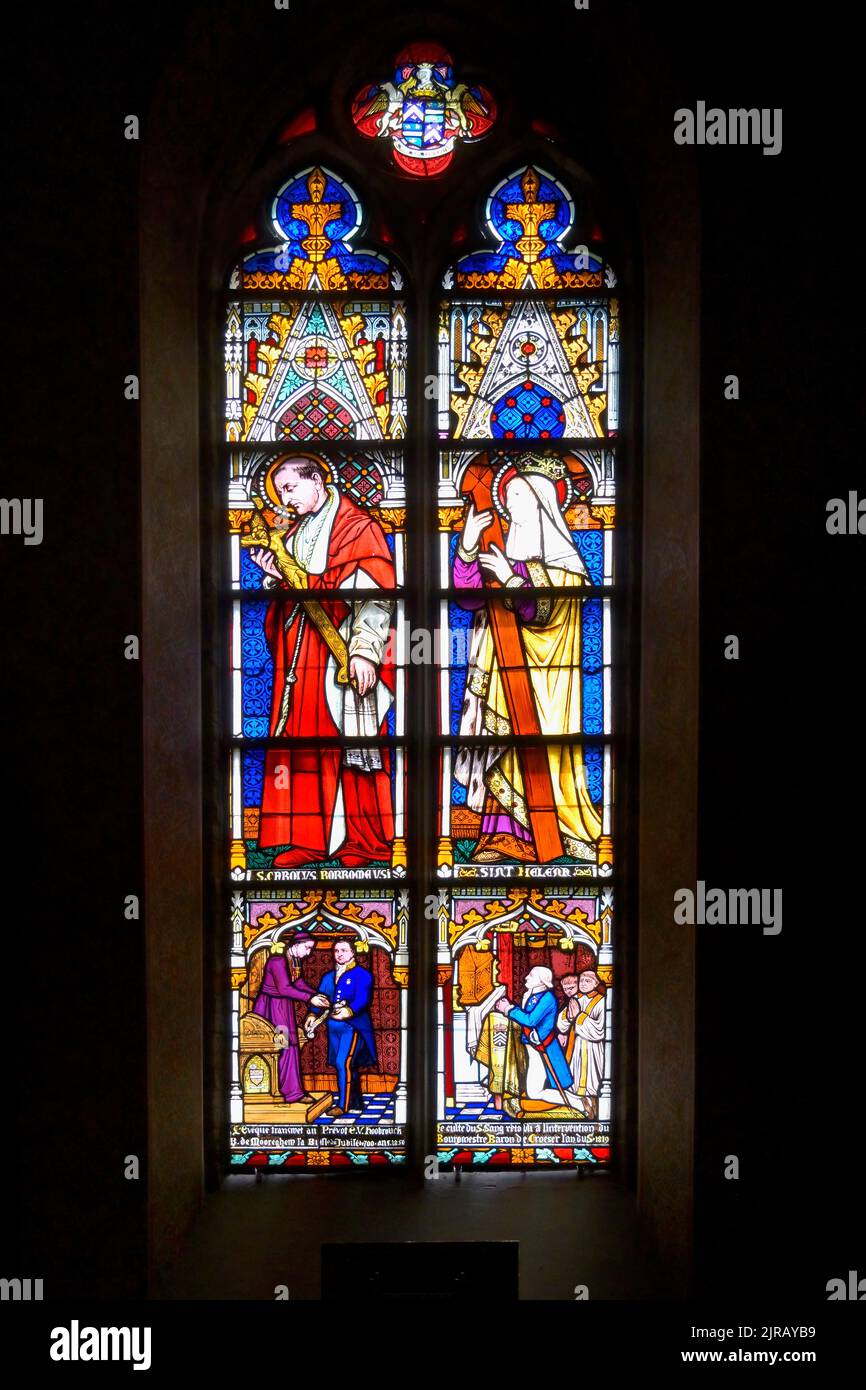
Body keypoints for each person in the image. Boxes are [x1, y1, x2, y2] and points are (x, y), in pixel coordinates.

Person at [452, 455, 602, 862]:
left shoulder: (566, 565)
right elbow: (467, 595)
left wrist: (513, 577)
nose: (509, 505)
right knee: (501, 743)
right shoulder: (502, 550)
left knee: (538, 749)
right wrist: (467, 546)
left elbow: (546, 610)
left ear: (541, 504)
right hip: (502, 668)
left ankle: (552, 835)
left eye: (518, 496)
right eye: (508, 496)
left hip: (548, 682)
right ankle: (499, 837)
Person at [249, 455, 395, 866]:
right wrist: (278, 579)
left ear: (317, 479)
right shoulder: (295, 533)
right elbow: (302, 586)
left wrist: (366, 652)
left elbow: (373, 595)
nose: (285, 499)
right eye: (279, 493)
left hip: (342, 652)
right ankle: (309, 839)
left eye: (290, 488)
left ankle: (362, 841)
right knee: (303, 744)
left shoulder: (358, 529)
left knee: (350, 742)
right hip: (300, 654)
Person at [494, 965, 585, 1116]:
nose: (526, 978)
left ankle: (579, 1103)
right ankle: (580, 1102)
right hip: (534, 1047)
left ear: (542, 981)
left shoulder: (547, 998)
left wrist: (508, 1009)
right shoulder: (530, 995)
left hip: (543, 1048)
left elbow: (530, 1020)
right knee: (535, 1091)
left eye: (531, 975)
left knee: (535, 1092)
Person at [251, 930, 329, 1104]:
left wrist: (318, 995)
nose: (308, 953)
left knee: (289, 1047)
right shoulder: (278, 961)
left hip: (283, 1008)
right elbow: (284, 988)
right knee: (282, 1047)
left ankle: (291, 1091)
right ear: (296, 944)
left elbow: (298, 983)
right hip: (272, 1009)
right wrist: (311, 998)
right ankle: (287, 1092)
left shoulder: (293, 961)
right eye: (307, 948)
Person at [306, 940, 377, 1116]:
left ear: (353, 953)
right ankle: (356, 1102)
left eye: (344, 950)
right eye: (336, 950)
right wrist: (312, 1015)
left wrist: (350, 1010)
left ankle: (343, 1106)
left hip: (352, 1026)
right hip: (332, 1027)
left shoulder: (363, 975)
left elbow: (362, 998)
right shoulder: (328, 977)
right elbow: (321, 998)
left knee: (342, 1062)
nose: (339, 954)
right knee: (347, 1065)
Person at [556, 970, 606, 1118]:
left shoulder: (602, 1001)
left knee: (593, 1083)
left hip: (593, 1049)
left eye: (588, 981)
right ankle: (583, 1111)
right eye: (582, 980)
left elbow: (599, 1030)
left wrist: (579, 1016)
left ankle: (595, 1115)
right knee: (576, 1084)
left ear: (596, 983)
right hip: (576, 1047)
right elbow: (561, 1024)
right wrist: (567, 1016)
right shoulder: (575, 999)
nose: (583, 984)